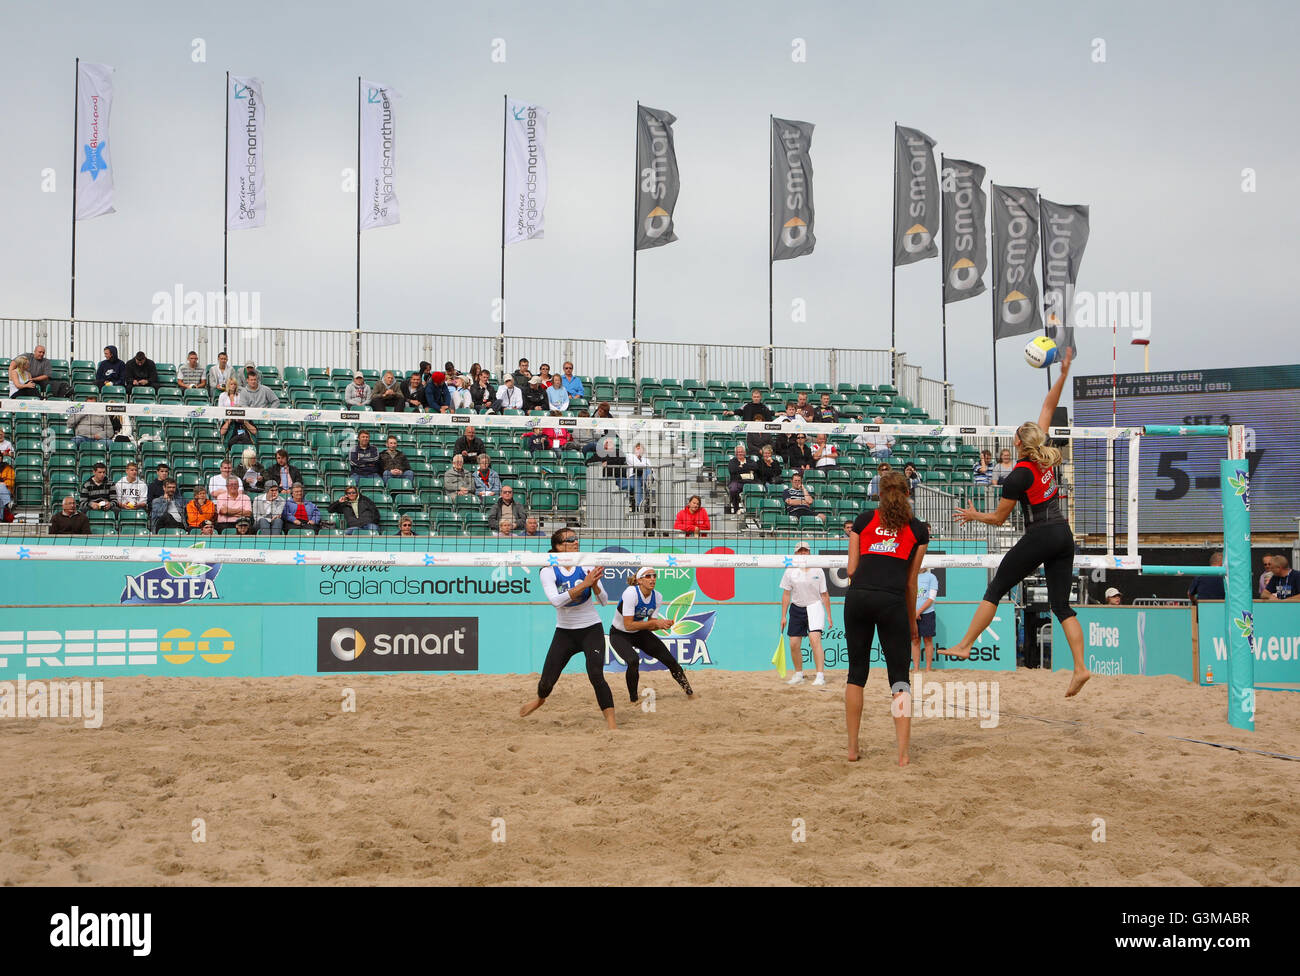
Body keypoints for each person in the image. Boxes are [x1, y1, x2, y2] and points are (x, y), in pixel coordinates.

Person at [947, 348, 1091, 697]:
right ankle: (1081, 668)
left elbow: (998, 520)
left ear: (1017, 444)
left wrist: (972, 515)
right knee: (1061, 606)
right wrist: (1063, 372)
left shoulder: (1017, 476)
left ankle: (966, 644)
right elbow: (1047, 407)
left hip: (1041, 534)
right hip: (1063, 534)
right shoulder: (1044, 459)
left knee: (996, 588)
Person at [844, 470, 929, 766]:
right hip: (892, 601)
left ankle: (853, 749)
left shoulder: (865, 520)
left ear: (879, 494)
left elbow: (852, 570)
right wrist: (911, 620)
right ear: (908, 494)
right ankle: (903, 755)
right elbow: (910, 583)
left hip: (858, 598)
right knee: (899, 679)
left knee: (856, 675)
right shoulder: (918, 530)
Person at [519, 529, 617, 729]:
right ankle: (539, 700)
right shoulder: (548, 569)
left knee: (596, 675)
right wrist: (585, 585)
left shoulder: (586, 564)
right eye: (570, 539)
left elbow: (605, 601)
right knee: (547, 681)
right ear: (558, 546)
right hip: (565, 632)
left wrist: (595, 585)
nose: (575, 541)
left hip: (591, 628)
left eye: (575, 538)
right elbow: (556, 601)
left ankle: (612, 724)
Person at [608, 566, 696, 705]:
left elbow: (651, 624)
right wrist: (655, 624)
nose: (653, 579)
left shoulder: (657, 596)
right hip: (619, 634)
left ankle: (689, 693)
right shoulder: (631, 593)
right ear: (639, 580)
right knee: (633, 660)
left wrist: (662, 624)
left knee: (669, 660)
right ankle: (633, 700)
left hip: (639, 632)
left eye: (654, 576)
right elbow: (628, 625)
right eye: (648, 576)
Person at [780, 542, 833, 686]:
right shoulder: (790, 570)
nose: (803, 553)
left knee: (815, 640)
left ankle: (820, 675)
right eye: (800, 551)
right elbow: (786, 594)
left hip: (814, 606)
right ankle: (798, 674)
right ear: (795, 554)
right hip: (797, 608)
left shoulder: (818, 570)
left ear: (809, 552)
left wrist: (828, 615)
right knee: (793, 644)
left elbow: (825, 594)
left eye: (805, 551)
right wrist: (783, 616)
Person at [913, 560, 939, 671]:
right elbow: (907, 595)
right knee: (915, 640)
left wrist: (918, 612)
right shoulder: (910, 576)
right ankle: (916, 668)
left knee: (928, 640)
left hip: (927, 613)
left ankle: (928, 669)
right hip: (913, 613)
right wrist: (913, 611)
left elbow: (931, 598)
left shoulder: (931, 577)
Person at [737, 387, 774, 453]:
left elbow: (770, 414)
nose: (756, 398)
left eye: (757, 397)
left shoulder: (764, 407)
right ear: (752, 397)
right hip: (750, 430)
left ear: (760, 397)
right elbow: (739, 411)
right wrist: (731, 412)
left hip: (762, 431)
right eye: (754, 397)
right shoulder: (747, 406)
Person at [620, 442, 651, 511]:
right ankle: (640, 504)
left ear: (643, 451)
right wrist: (644, 465)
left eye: (641, 449)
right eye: (637, 449)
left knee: (647, 470)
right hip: (633, 477)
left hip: (643, 476)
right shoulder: (630, 456)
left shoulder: (646, 459)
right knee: (638, 483)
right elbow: (636, 464)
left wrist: (643, 466)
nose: (639, 450)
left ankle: (647, 481)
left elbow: (649, 467)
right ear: (634, 450)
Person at [727, 443, 757, 514]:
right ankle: (736, 509)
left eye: (741, 451)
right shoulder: (732, 462)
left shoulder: (750, 460)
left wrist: (742, 467)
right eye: (738, 452)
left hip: (750, 482)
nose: (740, 453)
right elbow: (733, 470)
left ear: (745, 452)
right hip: (738, 481)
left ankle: (753, 510)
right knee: (733, 489)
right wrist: (747, 471)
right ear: (735, 453)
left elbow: (755, 467)